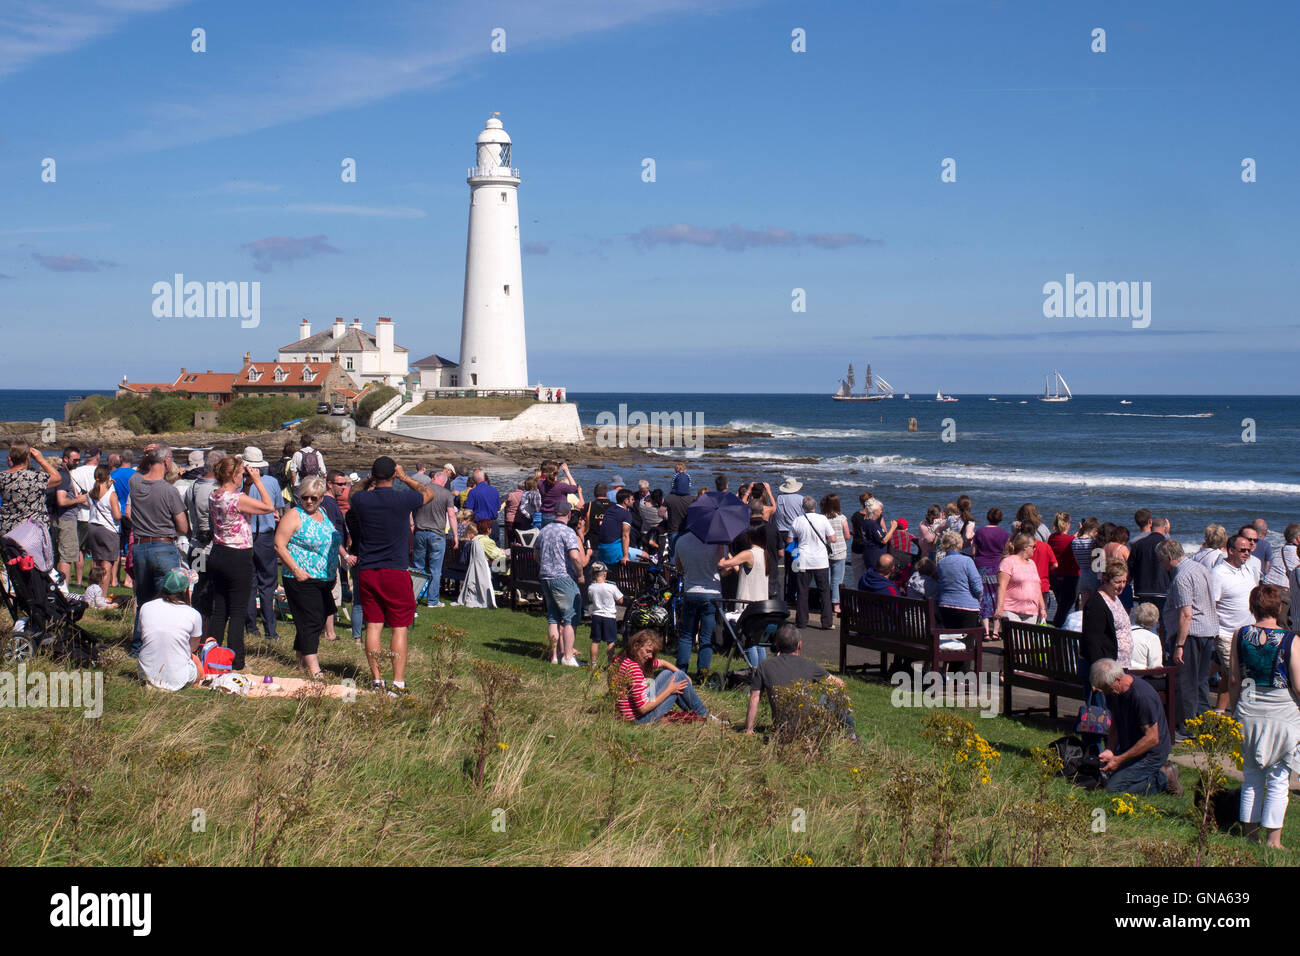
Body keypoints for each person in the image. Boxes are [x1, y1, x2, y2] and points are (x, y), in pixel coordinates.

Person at [350, 457, 436, 695]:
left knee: (374, 626)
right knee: (399, 626)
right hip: (395, 570)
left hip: (368, 570)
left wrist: (369, 478)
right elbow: (428, 493)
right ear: (393, 475)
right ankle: (398, 683)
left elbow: (353, 491)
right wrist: (405, 477)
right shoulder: (403, 498)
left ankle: (378, 681)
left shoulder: (362, 499)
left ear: (373, 475)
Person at [1227, 584, 1299, 849]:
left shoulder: (1240, 634)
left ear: (1251, 607)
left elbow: (1234, 678)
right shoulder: (1291, 639)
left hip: (1249, 706)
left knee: (1252, 775)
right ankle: (1273, 840)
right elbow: (1299, 685)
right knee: (1279, 777)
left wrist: (1235, 710)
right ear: (1279, 608)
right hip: (1282, 711)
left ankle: (1249, 835)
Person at [206, 454, 275, 672]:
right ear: (235, 475)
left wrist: (244, 484)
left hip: (218, 553)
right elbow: (268, 507)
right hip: (238, 556)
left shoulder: (214, 495)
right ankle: (237, 661)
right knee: (237, 611)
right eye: (241, 474)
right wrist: (257, 481)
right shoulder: (236, 499)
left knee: (220, 611)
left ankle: (212, 656)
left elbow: (238, 504)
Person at [273, 474, 346, 677]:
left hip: (323, 578)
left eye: (314, 497)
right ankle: (315, 670)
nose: (309, 501)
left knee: (317, 617)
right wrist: (296, 570)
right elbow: (279, 544)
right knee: (312, 621)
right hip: (301, 577)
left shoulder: (322, 512)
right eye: (305, 497)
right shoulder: (294, 515)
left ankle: (300, 661)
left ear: (322, 497)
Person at [126, 445, 188, 657]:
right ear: (167, 462)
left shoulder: (135, 483)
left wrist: (147, 456)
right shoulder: (169, 491)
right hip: (163, 546)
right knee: (170, 598)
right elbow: (183, 527)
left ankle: (137, 646)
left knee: (144, 600)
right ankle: (165, 645)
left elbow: (140, 471)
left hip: (140, 546)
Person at [1090, 658, 1182, 796]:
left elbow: (1152, 738)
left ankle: (1163, 777)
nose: (1106, 693)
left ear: (1118, 679)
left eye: (1107, 689)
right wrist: (1110, 750)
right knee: (1103, 780)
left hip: (1152, 753)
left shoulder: (1142, 697)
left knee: (1113, 790)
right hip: (1130, 748)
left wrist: (1119, 760)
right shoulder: (1113, 692)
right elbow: (1116, 722)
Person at [744, 624, 853, 736]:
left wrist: (749, 729)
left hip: (781, 729)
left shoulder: (764, 666)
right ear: (799, 645)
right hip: (808, 730)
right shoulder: (810, 665)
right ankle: (850, 735)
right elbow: (839, 684)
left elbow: (754, 697)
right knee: (833, 694)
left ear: (776, 645)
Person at [1158, 538, 1219, 734]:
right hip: (1207, 630)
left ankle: (1187, 727)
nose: (1162, 566)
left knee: (1186, 682)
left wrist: (1179, 645)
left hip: (1191, 634)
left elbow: (1186, 613)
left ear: (1168, 558)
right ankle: (1203, 723)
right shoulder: (1199, 568)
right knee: (1201, 681)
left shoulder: (1181, 576)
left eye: (1161, 561)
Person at [613, 629, 712, 723]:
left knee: (668, 674)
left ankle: (693, 711)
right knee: (678, 677)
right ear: (636, 646)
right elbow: (643, 709)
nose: (651, 656)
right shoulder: (634, 669)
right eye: (648, 651)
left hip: (625, 714)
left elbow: (662, 663)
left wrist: (686, 676)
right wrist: (669, 690)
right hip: (639, 719)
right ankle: (704, 715)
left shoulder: (623, 659)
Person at [1211, 533, 1262, 711]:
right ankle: (1242, 712)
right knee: (1235, 676)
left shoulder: (1248, 569)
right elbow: (1212, 605)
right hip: (1226, 634)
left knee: (1240, 674)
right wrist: (1215, 633)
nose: (1247, 553)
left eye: (1249, 550)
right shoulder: (1218, 573)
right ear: (1231, 551)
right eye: (1243, 550)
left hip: (1248, 633)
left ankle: (1221, 712)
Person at [536, 499, 587, 666]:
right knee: (569, 617)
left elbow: (536, 554)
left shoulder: (543, 530)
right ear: (569, 514)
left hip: (545, 576)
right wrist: (580, 574)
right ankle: (568, 657)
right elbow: (574, 556)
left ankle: (554, 656)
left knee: (552, 617)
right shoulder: (568, 532)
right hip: (563, 577)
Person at [240, 447, 283, 644]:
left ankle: (251, 626)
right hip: (264, 536)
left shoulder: (239, 483)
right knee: (267, 584)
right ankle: (270, 628)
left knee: (250, 583)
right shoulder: (272, 482)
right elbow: (277, 508)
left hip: (246, 537)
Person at [137, 567, 204, 692]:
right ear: (185, 589)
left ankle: (153, 683)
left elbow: (143, 637)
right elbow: (193, 647)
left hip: (144, 672)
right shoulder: (193, 614)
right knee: (195, 659)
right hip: (179, 678)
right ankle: (197, 681)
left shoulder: (146, 607)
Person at [674, 525, 724, 675]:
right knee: (706, 636)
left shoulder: (681, 541)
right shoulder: (717, 542)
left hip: (691, 590)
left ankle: (681, 670)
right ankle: (702, 672)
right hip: (711, 592)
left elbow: (678, 566)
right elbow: (722, 563)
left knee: (687, 634)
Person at [718, 525, 769, 666]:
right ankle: (761, 670)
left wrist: (724, 550)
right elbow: (742, 570)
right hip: (762, 603)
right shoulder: (765, 553)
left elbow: (723, 564)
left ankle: (754, 669)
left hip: (748, 604)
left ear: (748, 537)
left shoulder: (748, 553)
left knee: (749, 640)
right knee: (758, 640)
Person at [183, 450, 222, 632]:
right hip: (210, 548)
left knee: (199, 588)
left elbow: (184, 509)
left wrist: (190, 531)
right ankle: (205, 633)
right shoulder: (216, 490)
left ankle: (196, 629)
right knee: (209, 592)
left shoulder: (193, 486)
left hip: (196, 545)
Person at [411, 468, 459, 608]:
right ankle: (433, 601)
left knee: (418, 567)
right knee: (435, 569)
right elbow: (451, 515)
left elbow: (410, 509)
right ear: (443, 482)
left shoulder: (422, 490)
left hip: (419, 532)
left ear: (433, 478)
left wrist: (412, 524)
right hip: (437, 534)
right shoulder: (446, 493)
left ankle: (414, 596)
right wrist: (455, 535)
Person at [791, 496, 835, 631]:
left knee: (802, 591)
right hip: (820, 559)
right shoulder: (822, 519)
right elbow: (832, 538)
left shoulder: (797, 520)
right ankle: (827, 622)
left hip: (803, 558)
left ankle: (801, 621)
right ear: (815, 506)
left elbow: (789, 540)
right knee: (824, 591)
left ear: (803, 507)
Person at [991, 534, 1047, 636]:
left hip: (1031, 612)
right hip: (1011, 610)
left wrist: (1042, 608)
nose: (1035, 549)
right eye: (1033, 546)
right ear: (1025, 547)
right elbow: (1001, 586)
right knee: (1016, 644)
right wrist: (999, 608)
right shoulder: (1008, 562)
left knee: (1027, 646)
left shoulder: (1032, 564)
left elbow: (1037, 587)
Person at [0, 442, 60, 537]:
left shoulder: (2, 477)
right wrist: (41, 460)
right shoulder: (36, 477)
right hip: (32, 530)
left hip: (8, 529)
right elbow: (57, 478)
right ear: (28, 457)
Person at [47, 445, 85, 587]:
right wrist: (79, 500)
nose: (77, 463)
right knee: (66, 557)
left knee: (58, 555)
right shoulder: (63, 475)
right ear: (65, 459)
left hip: (59, 519)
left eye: (79, 460)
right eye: (75, 460)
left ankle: (55, 587)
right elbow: (61, 500)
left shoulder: (63, 474)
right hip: (66, 520)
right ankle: (64, 589)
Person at [1082, 559, 1131, 668]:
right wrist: (1101, 669)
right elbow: (1093, 640)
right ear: (1105, 580)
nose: (1122, 586)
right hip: (1107, 667)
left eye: (1124, 582)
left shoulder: (1115, 597)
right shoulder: (1096, 604)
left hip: (1120, 663)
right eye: (1117, 582)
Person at [84, 463, 122, 590]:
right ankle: (103, 595)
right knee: (107, 564)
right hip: (108, 530)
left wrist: (109, 485)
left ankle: (91, 591)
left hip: (93, 527)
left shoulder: (90, 493)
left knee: (95, 562)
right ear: (107, 477)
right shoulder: (112, 495)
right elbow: (117, 516)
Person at [934, 530, 982, 628]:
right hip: (967, 606)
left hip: (946, 605)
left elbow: (940, 584)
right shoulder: (967, 561)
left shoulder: (940, 563)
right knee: (968, 639)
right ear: (959, 544)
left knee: (952, 639)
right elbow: (977, 585)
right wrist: (980, 597)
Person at [69, 446, 101, 587]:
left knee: (79, 550)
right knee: (95, 552)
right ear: (98, 457)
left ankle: (79, 581)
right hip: (96, 516)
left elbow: (74, 493)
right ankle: (94, 582)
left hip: (81, 514)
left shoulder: (75, 472)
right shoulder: (101, 472)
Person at [972, 508, 1009, 627]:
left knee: (983, 597)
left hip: (981, 566)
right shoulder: (1004, 533)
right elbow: (1006, 552)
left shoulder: (980, 532)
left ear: (988, 517)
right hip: (997, 566)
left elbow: (973, 551)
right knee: (997, 596)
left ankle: (986, 630)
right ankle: (996, 631)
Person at [454, 518, 502, 608]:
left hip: (472, 568)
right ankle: (501, 591)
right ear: (488, 529)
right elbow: (497, 555)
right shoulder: (487, 541)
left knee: (502, 565)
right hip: (486, 568)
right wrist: (506, 552)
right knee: (505, 567)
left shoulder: (475, 539)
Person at [1128, 516, 1171, 615]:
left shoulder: (1138, 544)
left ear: (1151, 527)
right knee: (1163, 622)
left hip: (1143, 589)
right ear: (1165, 528)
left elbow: (1131, 566)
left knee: (1145, 621)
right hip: (1163, 589)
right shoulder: (1168, 544)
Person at [773, 478, 806, 606]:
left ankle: (779, 595)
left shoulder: (778, 498)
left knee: (781, 567)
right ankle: (791, 596)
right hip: (795, 535)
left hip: (780, 533)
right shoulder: (801, 499)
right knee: (794, 566)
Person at [586, 562, 623, 667]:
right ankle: (610, 664)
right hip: (609, 617)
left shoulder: (591, 587)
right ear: (604, 574)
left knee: (595, 641)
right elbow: (620, 600)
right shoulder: (611, 587)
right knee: (611, 642)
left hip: (596, 615)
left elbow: (590, 599)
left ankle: (593, 663)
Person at [1263, 522, 1299, 628]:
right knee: (1285, 630)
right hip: (1281, 594)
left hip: (1265, 590)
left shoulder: (1278, 551)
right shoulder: (1295, 554)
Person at [1047, 512, 1079, 628]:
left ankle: (1061, 627)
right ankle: (1058, 629)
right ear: (1067, 525)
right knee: (1065, 606)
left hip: (1054, 576)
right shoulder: (1072, 540)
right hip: (1070, 576)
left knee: (1062, 604)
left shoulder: (1052, 538)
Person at [821, 493, 851, 616]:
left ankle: (826, 602)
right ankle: (836, 605)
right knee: (837, 579)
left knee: (826, 579)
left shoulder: (822, 518)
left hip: (825, 551)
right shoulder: (842, 518)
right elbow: (848, 536)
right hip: (839, 551)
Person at [110, 450, 135, 586]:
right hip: (131, 512)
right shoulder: (136, 475)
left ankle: (114, 578)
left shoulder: (113, 475)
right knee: (129, 545)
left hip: (117, 511)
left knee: (117, 547)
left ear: (121, 459)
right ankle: (128, 579)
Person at [596, 489, 638, 565]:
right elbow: (625, 536)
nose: (633, 501)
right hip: (613, 551)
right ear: (626, 501)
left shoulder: (609, 510)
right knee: (645, 556)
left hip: (602, 550)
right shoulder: (626, 514)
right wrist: (625, 556)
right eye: (632, 499)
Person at [1071, 517, 1102, 607]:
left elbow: (1077, 561)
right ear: (1095, 530)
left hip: (1082, 577)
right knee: (1095, 607)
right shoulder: (1093, 542)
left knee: (1085, 607)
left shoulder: (1074, 542)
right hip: (1093, 576)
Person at [466, 468, 501, 542]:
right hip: (493, 524)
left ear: (475, 480)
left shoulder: (472, 492)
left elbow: (468, 511)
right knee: (495, 549)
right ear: (484, 477)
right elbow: (498, 508)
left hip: (479, 525)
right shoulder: (494, 490)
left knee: (480, 549)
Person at [1129, 602, 1164, 670]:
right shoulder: (1152, 638)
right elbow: (1155, 668)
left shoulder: (1124, 633)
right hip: (1141, 676)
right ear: (1156, 620)